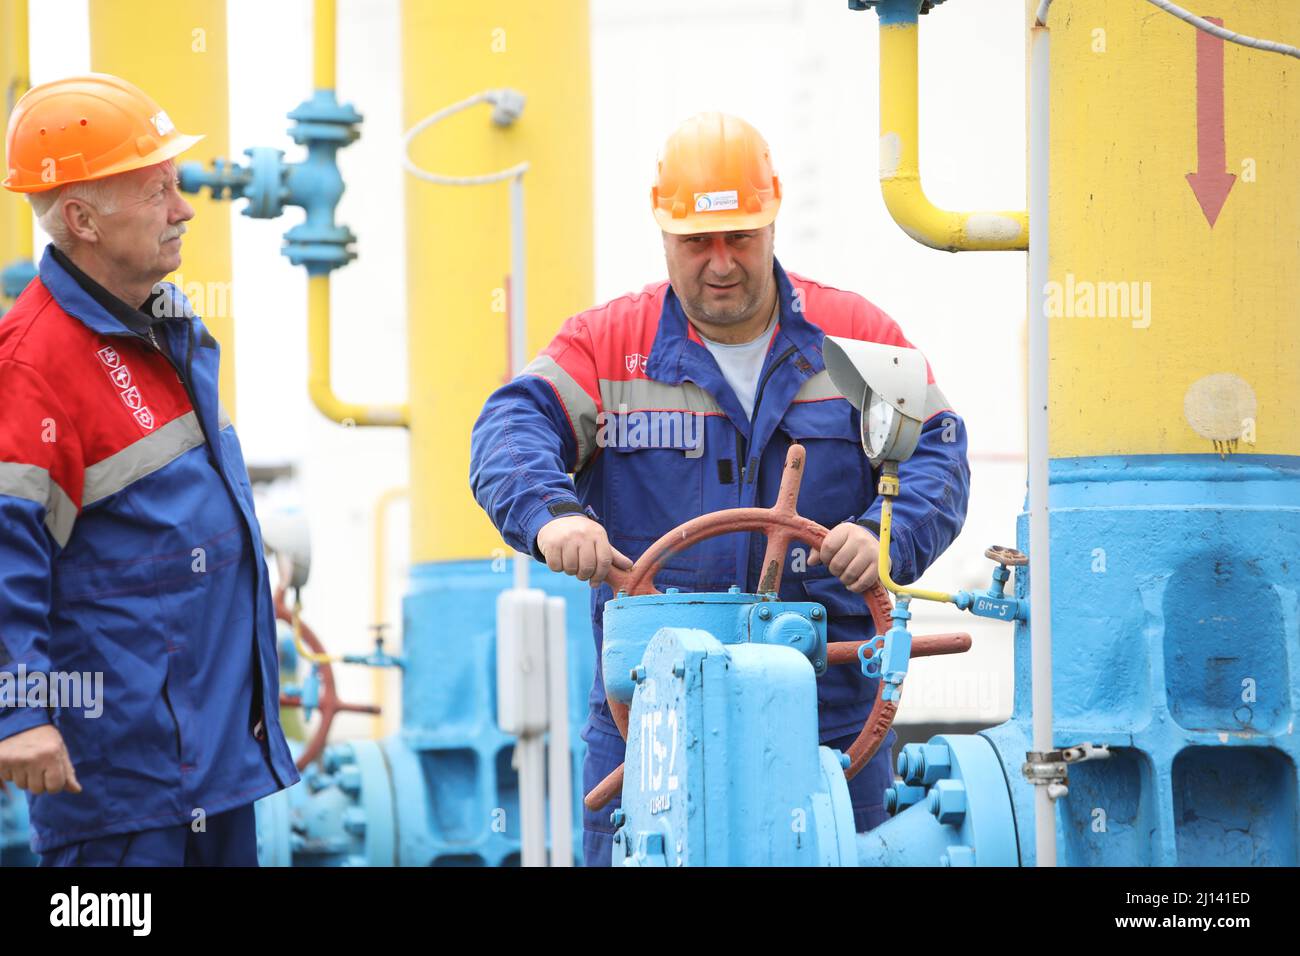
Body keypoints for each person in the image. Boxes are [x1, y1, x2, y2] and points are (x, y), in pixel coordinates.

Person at [470, 111, 969, 866]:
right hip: (648, 714)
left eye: (741, 236)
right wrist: (554, 517)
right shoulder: (608, 349)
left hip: (828, 714)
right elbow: (511, 426)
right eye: (697, 241)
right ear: (664, 235)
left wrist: (882, 535)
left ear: (773, 223)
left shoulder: (855, 340)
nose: (722, 262)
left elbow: (940, 448)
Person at [0, 73, 299, 865]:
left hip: (214, 764)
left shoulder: (161, 330)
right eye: (156, 189)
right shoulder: (32, 364)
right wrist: (16, 714)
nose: (184, 208)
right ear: (82, 219)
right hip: (121, 787)